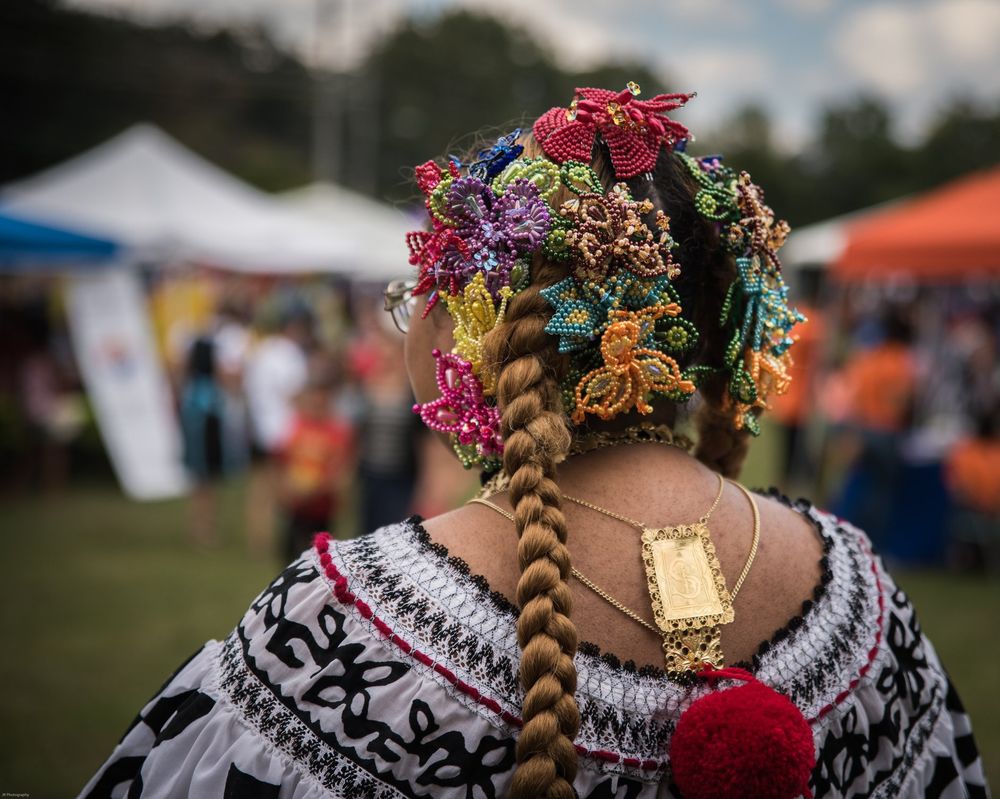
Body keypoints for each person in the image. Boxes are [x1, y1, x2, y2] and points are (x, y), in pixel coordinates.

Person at [78, 85, 988, 799]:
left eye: (412, 297)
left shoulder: (330, 637)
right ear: (713, 326)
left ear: (462, 325)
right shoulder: (862, 597)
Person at [277, 372, 354, 563]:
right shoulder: (296, 425)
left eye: (322, 400)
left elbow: (341, 470)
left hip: (322, 507)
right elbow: (283, 460)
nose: (316, 404)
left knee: (320, 560)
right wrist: (287, 487)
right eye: (313, 399)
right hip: (295, 504)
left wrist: (317, 489)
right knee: (290, 555)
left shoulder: (337, 430)